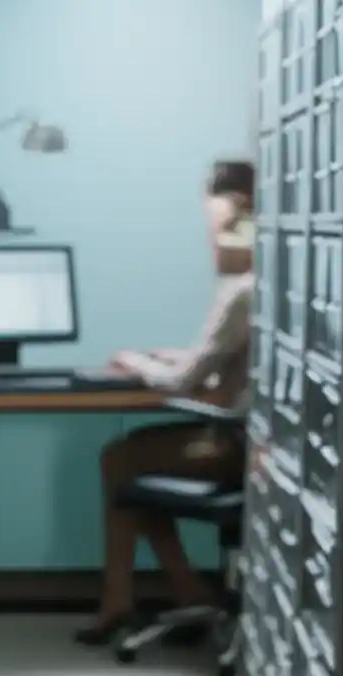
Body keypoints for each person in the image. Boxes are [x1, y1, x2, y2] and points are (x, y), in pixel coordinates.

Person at [74, 160, 256, 646]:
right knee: (128, 464)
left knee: (120, 460)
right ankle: (184, 590)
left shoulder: (242, 292)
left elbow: (183, 381)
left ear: (243, 216)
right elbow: (217, 358)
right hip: (258, 438)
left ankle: (128, 600)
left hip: (231, 446)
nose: (213, 242)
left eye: (217, 227)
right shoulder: (267, 281)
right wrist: (171, 356)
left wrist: (139, 363)